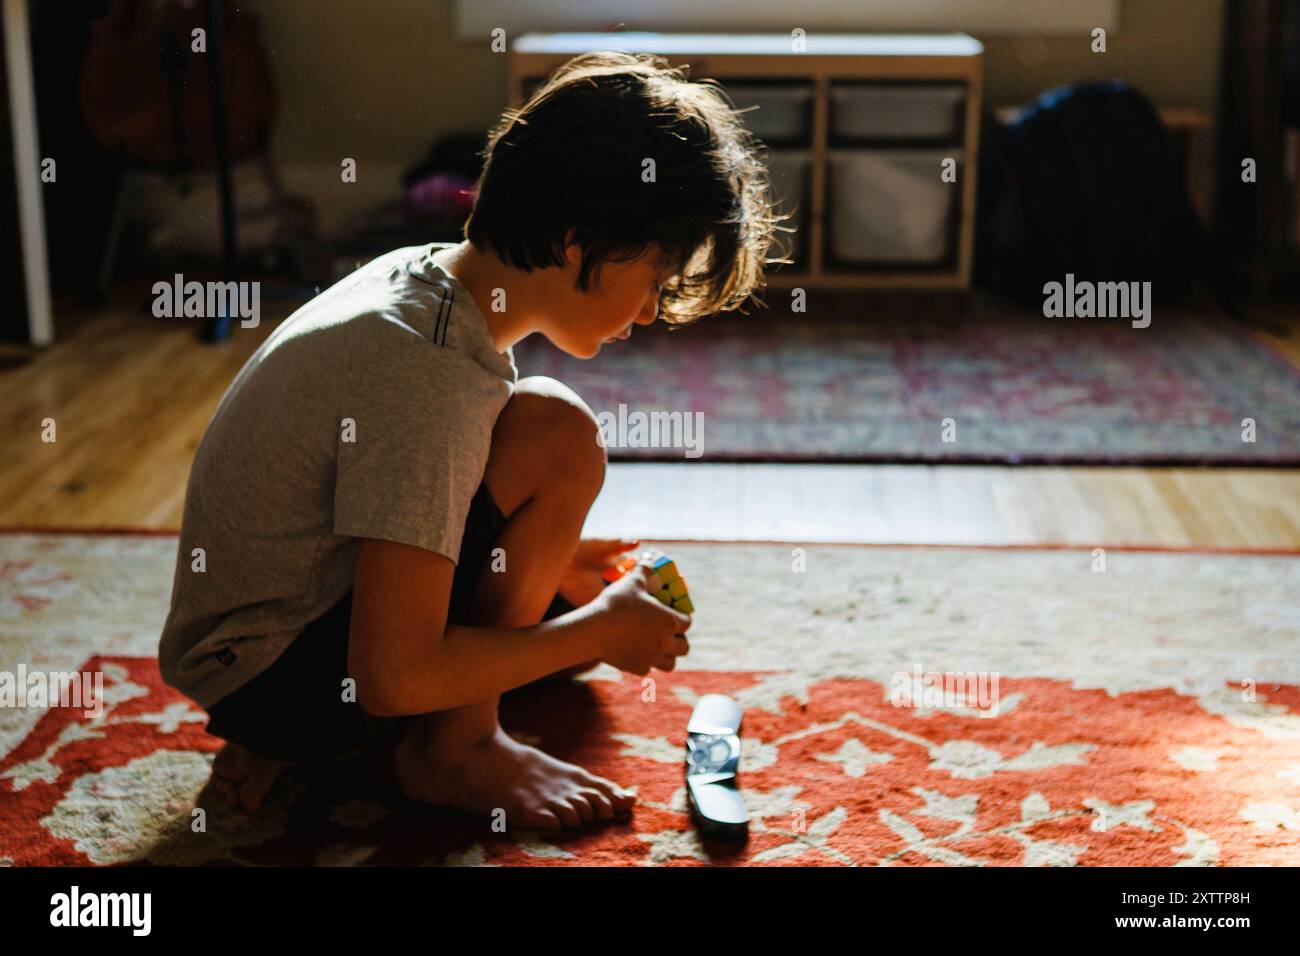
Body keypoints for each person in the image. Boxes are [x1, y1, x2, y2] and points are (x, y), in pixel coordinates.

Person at [158, 51, 777, 830]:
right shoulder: (427, 371)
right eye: (654, 280)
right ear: (578, 241)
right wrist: (598, 627)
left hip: (270, 639)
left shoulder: (429, 285)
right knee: (558, 440)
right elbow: (388, 677)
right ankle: (454, 749)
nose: (650, 313)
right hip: (277, 682)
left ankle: (386, 736)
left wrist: (561, 577)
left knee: (564, 607)